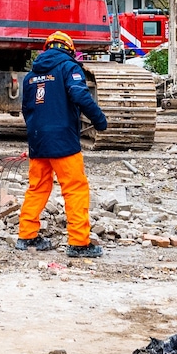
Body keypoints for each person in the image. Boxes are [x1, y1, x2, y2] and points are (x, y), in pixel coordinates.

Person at [18, 31, 107, 257]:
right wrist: (99, 119)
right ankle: (78, 243)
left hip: (38, 141)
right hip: (63, 140)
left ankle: (27, 236)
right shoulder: (69, 68)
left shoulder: (30, 77)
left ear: (47, 48)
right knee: (75, 188)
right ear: (69, 49)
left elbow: (26, 109)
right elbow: (80, 95)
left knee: (37, 187)